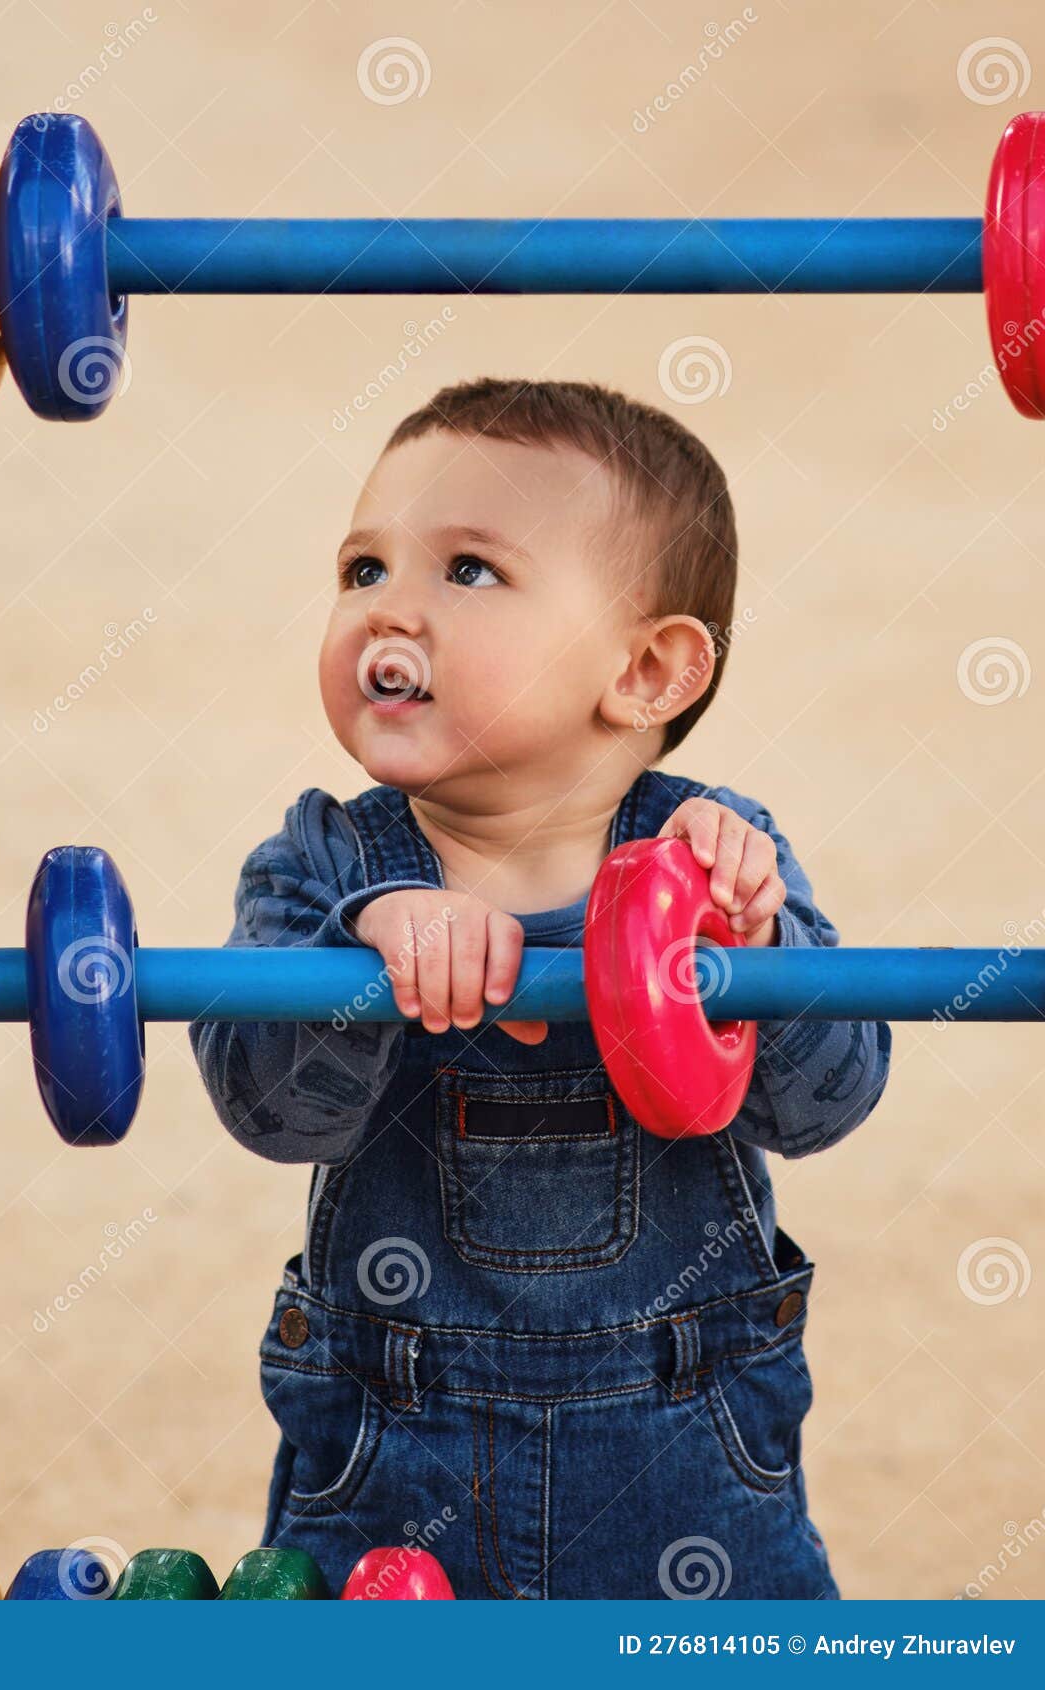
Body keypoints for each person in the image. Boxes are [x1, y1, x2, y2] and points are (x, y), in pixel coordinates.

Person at [189, 377, 891, 1599]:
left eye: (468, 571)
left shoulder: (719, 860)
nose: (388, 609)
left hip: (688, 1465)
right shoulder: (321, 866)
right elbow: (269, 1110)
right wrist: (363, 962)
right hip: (391, 1469)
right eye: (363, 569)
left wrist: (754, 951)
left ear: (648, 672)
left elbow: (830, 1100)